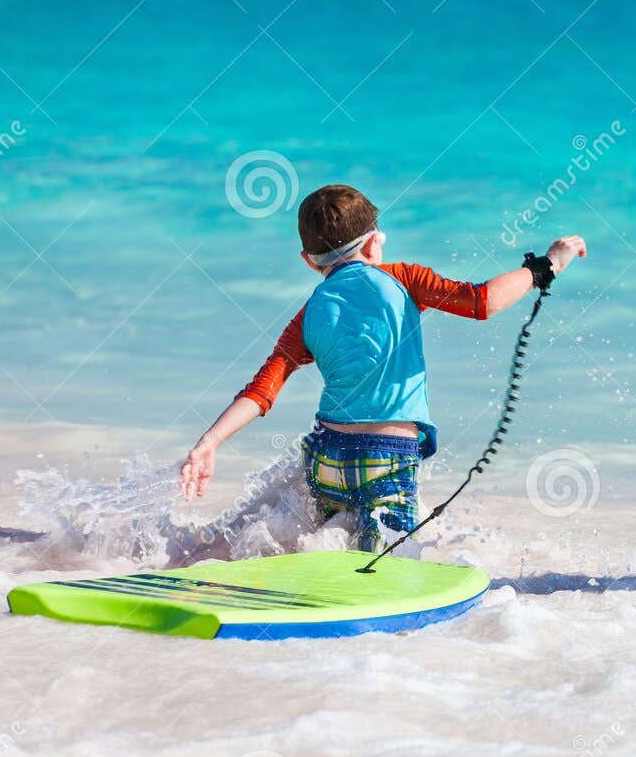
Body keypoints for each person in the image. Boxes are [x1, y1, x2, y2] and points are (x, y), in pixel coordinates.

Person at [180, 183, 586, 555]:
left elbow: (261, 391)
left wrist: (209, 443)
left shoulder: (306, 316)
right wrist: (547, 266)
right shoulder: (403, 279)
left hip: (326, 458)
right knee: (387, 567)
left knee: (327, 553)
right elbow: (482, 302)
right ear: (374, 244)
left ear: (308, 261)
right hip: (385, 461)